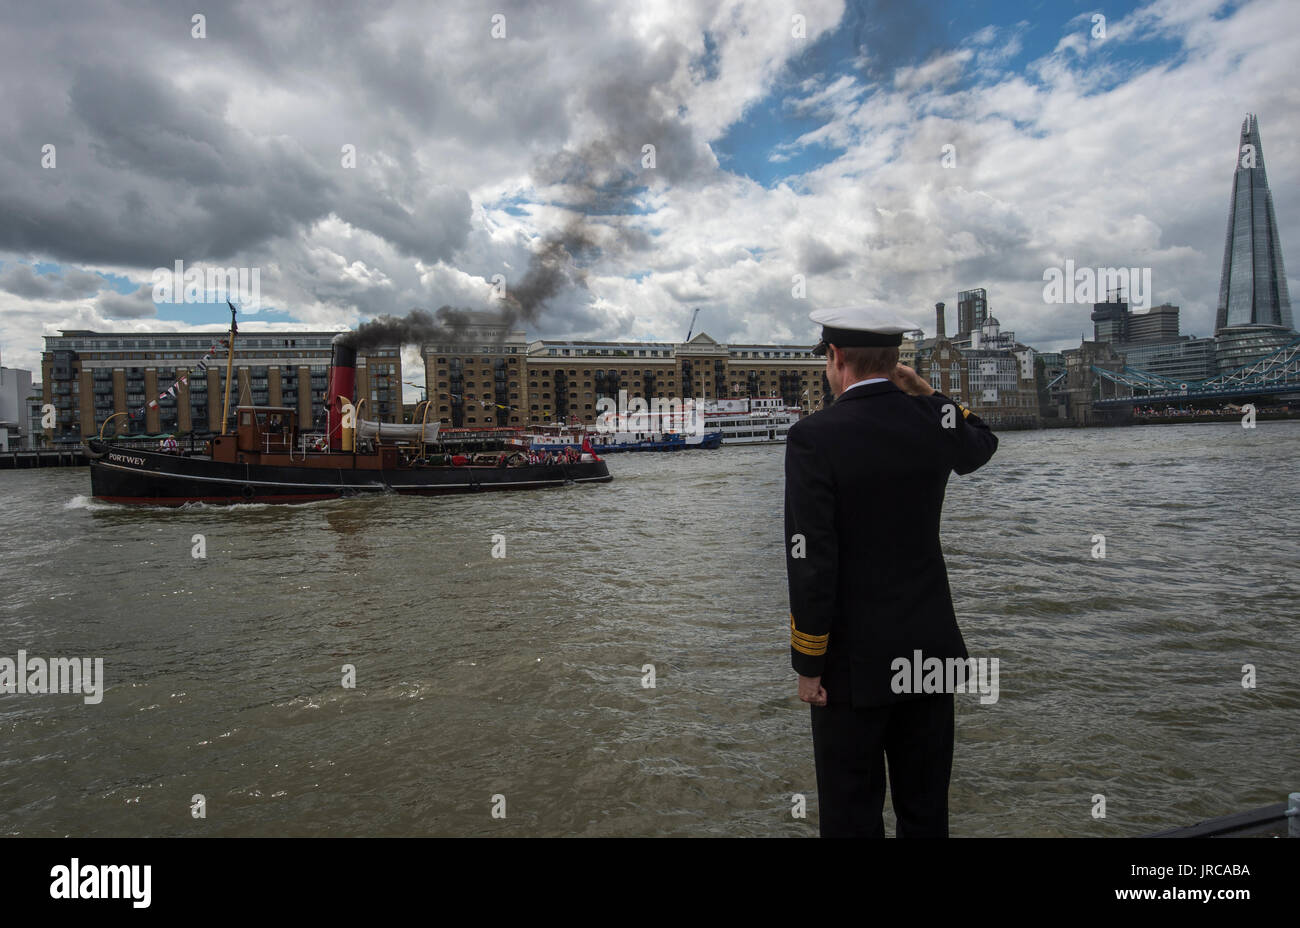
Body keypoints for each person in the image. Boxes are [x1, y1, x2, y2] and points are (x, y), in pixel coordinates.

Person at [784, 306, 998, 838]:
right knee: (925, 812)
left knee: (852, 815)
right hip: (931, 652)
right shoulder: (930, 421)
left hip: (853, 664)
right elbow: (981, 446)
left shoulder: (815, 436)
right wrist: (925, 392)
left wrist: (808, 661)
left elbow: (812, 558)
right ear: (896, 362)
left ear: (834, 359)